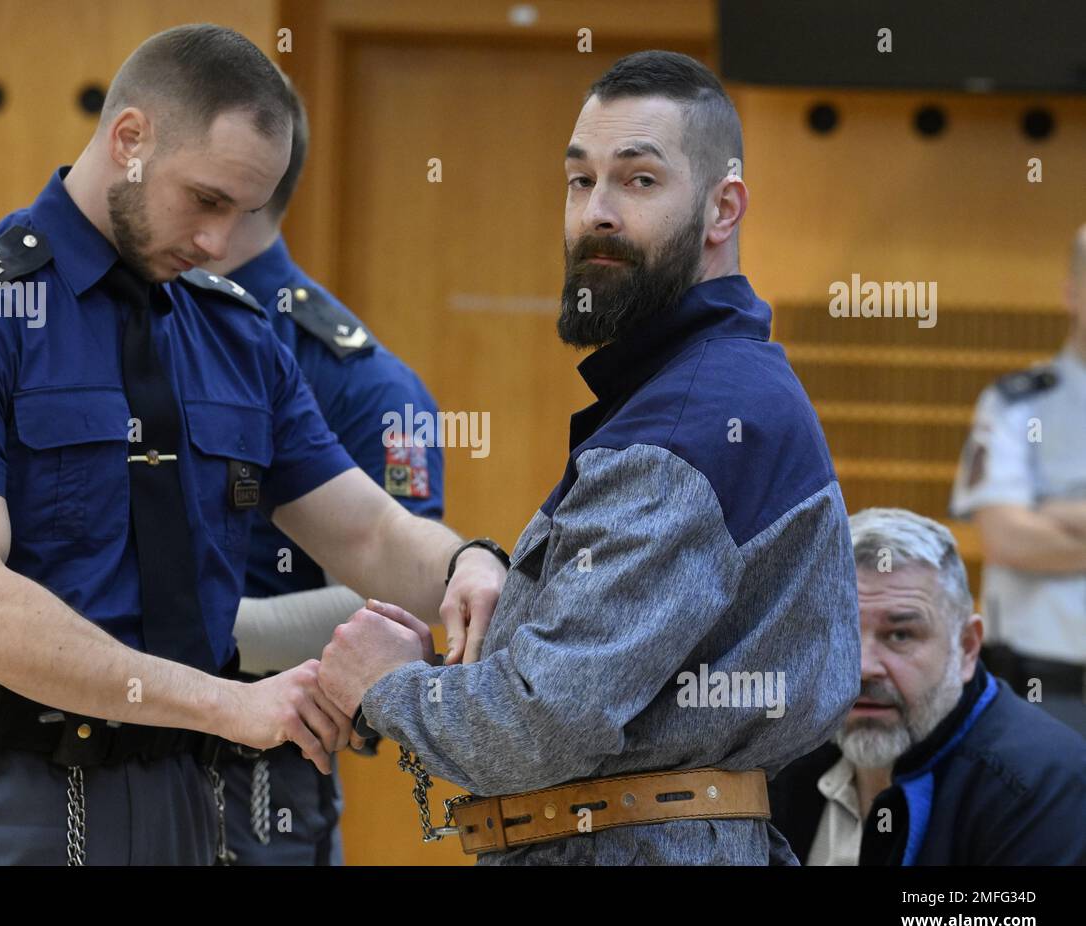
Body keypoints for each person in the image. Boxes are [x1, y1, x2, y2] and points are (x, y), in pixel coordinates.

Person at [0, 23, 504, 866]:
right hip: (4, 797)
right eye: (205, 200)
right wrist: (224, 704)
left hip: (187, 794)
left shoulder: (235, 332)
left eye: (242, 213)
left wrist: (471, 565)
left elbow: (369, 531)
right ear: (129, 138)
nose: (216, 241)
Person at [318, 50, 860, 865]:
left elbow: (538, 722)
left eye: (639, 180)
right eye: (581, 181)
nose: (596, 213)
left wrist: (388, 684)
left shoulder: (691, 423)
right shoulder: (712, 390)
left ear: (722, 208)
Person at [207, 78, 445, 865]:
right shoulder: (128, 330)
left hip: (260, 779)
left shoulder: (362, 381)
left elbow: (392, 602)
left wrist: (162, 636)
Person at [768, 508, 1086, 865]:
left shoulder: (1041, 787)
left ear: (966, 647)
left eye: (900, 635)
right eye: (845, 633)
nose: (863, 667)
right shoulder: (780, 755)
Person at [950, 225, 1086, 737]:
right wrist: (1031, 525)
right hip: (1040, 694)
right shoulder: (1015, 403)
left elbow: (1030, 530)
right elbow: (1006, 537)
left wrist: (1054, 514)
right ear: (1072, 292)